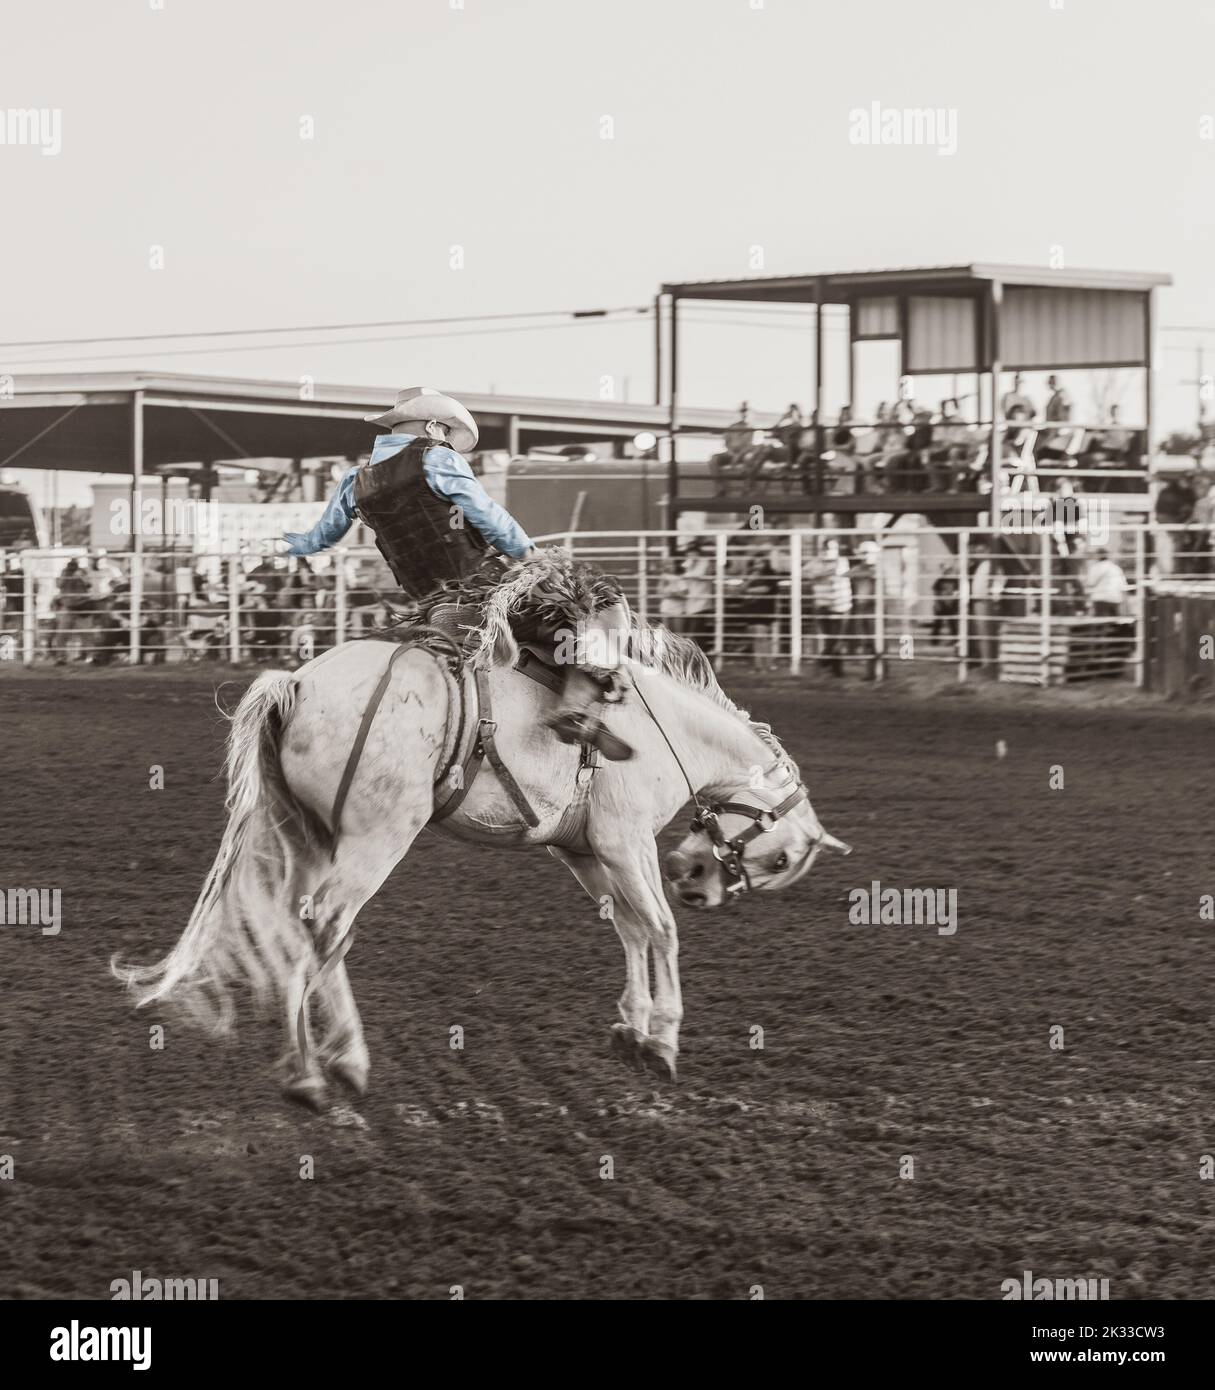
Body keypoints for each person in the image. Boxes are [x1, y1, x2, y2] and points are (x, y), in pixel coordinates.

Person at [282, 385, 631, 760]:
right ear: (433, 427)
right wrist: (533, 559)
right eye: (447, 432)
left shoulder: (355, 481)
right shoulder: (436, 460)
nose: (448, 440)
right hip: (486, 589)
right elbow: (489, 516)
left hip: (428, 604)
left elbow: (321, 537)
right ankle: (576, 709)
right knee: (601, 599)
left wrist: (298, 543)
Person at [1083, 548, 1129, 617]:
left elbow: (1090, 583)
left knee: (1100, 623)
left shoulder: (1095, 567)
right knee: (1114, 623)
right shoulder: (1116, 568)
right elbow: (1123, 586)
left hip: (1100, 599)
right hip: (1115, 599)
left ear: (1098, 556)